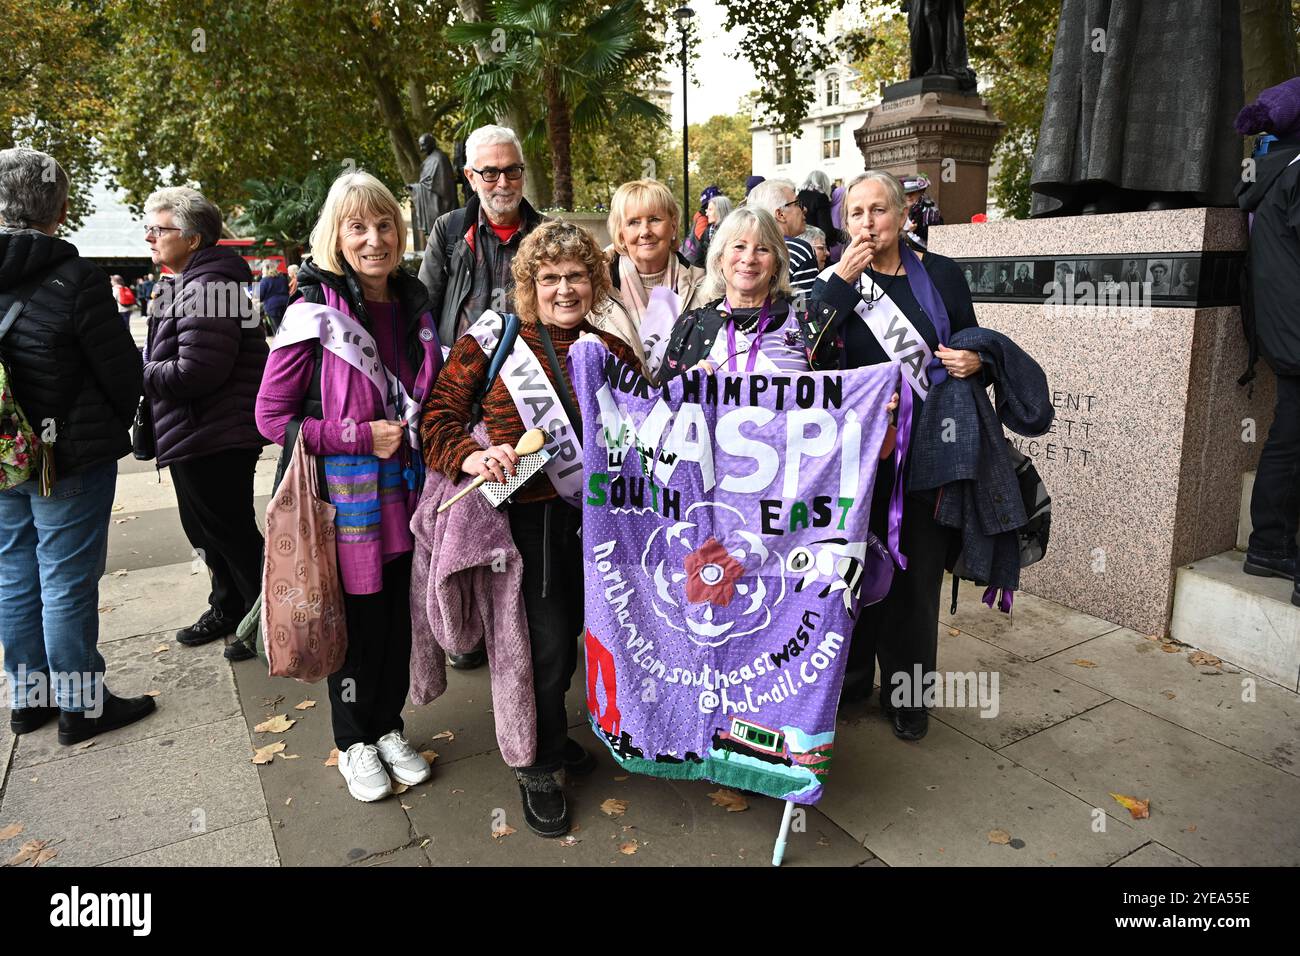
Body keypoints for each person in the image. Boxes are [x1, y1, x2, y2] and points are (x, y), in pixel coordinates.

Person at [421, 220, 644, 836]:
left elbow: (654, 430)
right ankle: (539, 764)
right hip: (530, 521)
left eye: (577, 276)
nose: (565, 290)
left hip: (603, 522)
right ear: (529, 285)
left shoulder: (614, 350)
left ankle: (550, 732)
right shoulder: (491, 343)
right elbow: (436, 417)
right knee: (542, 647)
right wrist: (471, 455)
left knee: (580, 635)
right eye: (550, 279)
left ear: (595, 281)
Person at [257, 170, 444, 803]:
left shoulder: (416, 308)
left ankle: (387, 725)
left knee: (396, 617)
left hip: (410, 494)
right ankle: (353, 739)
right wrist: (356, 436)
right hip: (344, 504)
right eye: (356, 227)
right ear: (335, 237)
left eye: (384, 223)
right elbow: (271, 416)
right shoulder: (310, 314)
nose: (373, 239)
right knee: (355, 621)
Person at [811, 170, 982, 741]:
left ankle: (909, 693)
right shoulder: (834, 280)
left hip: (929, 450)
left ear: (903, 214)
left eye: (878, 210)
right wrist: (838, 281)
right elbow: (806, 347)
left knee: (916, 574)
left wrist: (975, 362)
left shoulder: (942, 274)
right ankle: (854, 677)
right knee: (853, 568)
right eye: (855, 213)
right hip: (857, 454)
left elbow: (971, 340)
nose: (866, 222)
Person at [0, 147, 155, 744]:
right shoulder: (75, 277)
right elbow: (123, 372)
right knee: (64, 577)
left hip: (5, 453)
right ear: (59, 209)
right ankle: (81, 705)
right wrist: (112, 425)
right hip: (67, 452)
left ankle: (29, 698)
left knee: (15, 570)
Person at [142, 187, 268, 658]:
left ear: (192, 238)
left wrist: (142, 374)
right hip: (195, 429)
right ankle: (229, 606)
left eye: (160, 229)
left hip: (216, 433)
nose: (151, 238)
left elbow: (198, 370)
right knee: (205, 531)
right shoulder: (185, 283)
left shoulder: (211, 287)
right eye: (149, 229)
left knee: (230, 532)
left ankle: (264, 621)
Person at [1235, 77, 1300, 599]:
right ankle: (1273, 546)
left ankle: (1269, 546)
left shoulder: (1272, 170)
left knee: (1289, 434)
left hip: (1283, 330)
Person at [661, 207, 841, 377]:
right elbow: (663, 405)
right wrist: (685, 387)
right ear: (720, 258)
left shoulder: (812, 321)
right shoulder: (690, 327)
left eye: (762, 249)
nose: (749, 259)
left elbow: (840, 399)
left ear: (777, 264)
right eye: (739, 246)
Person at [418, 124, 545, 349]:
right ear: (471, 178)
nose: (503, 183)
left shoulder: (549, 236)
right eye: (490, 173)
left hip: (529, 379)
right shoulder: (449, 230)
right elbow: (423, 310)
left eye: (512, 170)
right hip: (460, 376)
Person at [590, 179, 708, 372]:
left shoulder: (704, 286)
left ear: (673, 226)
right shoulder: (596, 287)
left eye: (654, 219)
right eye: (633, 222)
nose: (645, 231)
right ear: (621, 233)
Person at [746, 179, 818, 297]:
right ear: (780, 214)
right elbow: (802, 308)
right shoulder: (799, 251)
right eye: (798, 204)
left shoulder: (741, 252)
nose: (804, 209)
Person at [799, 170, 839, 253]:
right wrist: (842, 236)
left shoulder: (799, 196)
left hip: (802, 243)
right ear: (824, 183)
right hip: (818, 246)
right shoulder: (821, 198)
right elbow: (826, 229)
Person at [682, 184, 720, 266]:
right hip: (697, 267)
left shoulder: (701, 217)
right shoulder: (702, 219)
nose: (707, 212)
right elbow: (705, 240)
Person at [901, 174, 943, 246]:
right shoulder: (904, 210)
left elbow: (936, 237)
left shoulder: (930, 211)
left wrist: (916, 230)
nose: (908, 196)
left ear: (921, 192)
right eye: (906, 193)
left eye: (912, 193)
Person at [257, 261, 290, 331]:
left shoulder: (264, 280)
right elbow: (287, 290)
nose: (262, 271)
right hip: (286, 303)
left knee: (277, 329)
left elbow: (260, 296)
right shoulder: (282, 278)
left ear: (266, 269)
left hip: (272, 306)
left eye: (262, 269)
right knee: (287, 328)